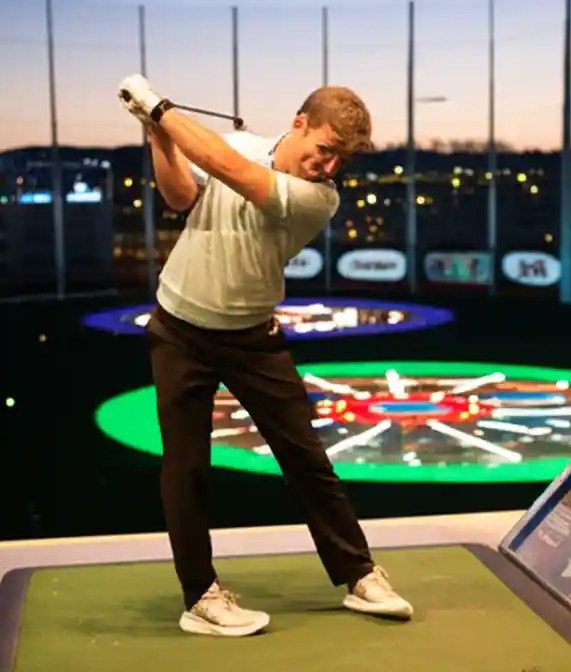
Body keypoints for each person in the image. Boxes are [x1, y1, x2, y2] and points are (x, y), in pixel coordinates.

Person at [116, 74, 413, 637]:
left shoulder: (316, 199)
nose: (330, 167)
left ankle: (360, 574)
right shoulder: (245, 147)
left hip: (252, 336)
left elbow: (232, 172)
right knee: (186, 467)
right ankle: (199, 596)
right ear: (299, 124)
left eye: (341, 159)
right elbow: (183, 197)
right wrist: (156, 134)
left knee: (306, 459)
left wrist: (160, 109)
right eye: (326, 150)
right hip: (178, 326)